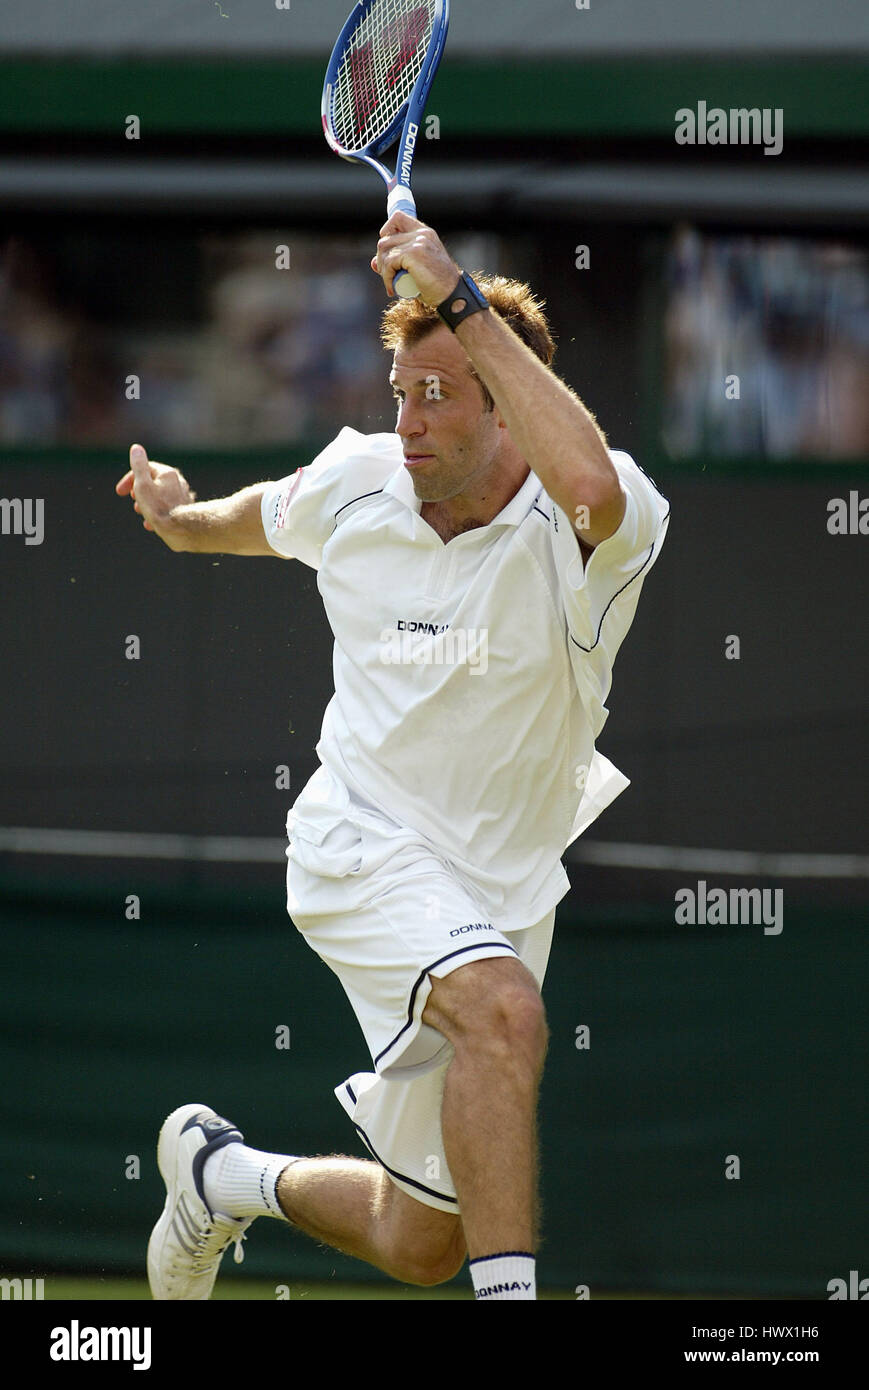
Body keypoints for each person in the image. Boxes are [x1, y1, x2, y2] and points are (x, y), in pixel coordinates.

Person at [116, 212, 670, 1301]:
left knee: (422, 1241)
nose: (408, 423)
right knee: (504, 1009)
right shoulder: (355, 482)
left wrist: (457, 286)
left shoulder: (602, 520)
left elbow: (592, 490)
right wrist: (178, 515)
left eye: (439, 395)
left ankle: (222, 1175)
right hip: (357, 842)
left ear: (505, 403)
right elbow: (242, 520)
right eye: (400, 395)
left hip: (501, 884)